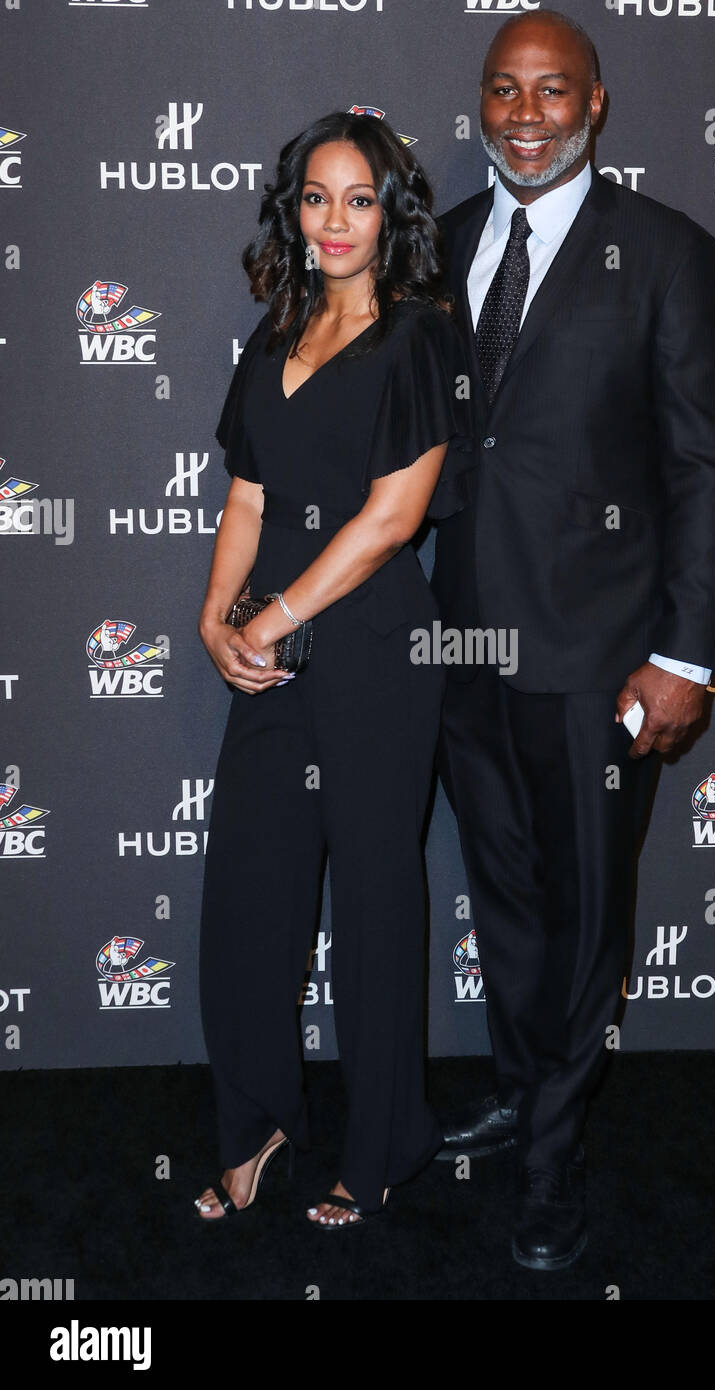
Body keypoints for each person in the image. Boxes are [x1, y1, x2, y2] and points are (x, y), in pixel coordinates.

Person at [430, 10, 715, 1269]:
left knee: (583, 920)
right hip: (458, 656)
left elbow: (701, 468)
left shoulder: (668, 253)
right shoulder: (438, 246)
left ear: (596, 105)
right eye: (504, 91)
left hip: (600, 662)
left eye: (551, 91)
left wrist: (683, 655)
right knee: (503, 899)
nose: (524, 114)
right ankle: (519, 1085)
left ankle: (552, 1163)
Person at [194, 111, 469, 1228]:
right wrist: (217, 618)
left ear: (390, 213)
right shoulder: (277, 330)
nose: (336, 219)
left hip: (370, 656)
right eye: (317, 196)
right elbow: (249, 499)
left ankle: (381, 1144)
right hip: (270, 652)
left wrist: (276, 618)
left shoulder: (419, 337)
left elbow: (394, 517)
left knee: (371, 904)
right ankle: (256, 1123)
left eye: (360, 198)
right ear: (291, 210)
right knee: (249, 898)